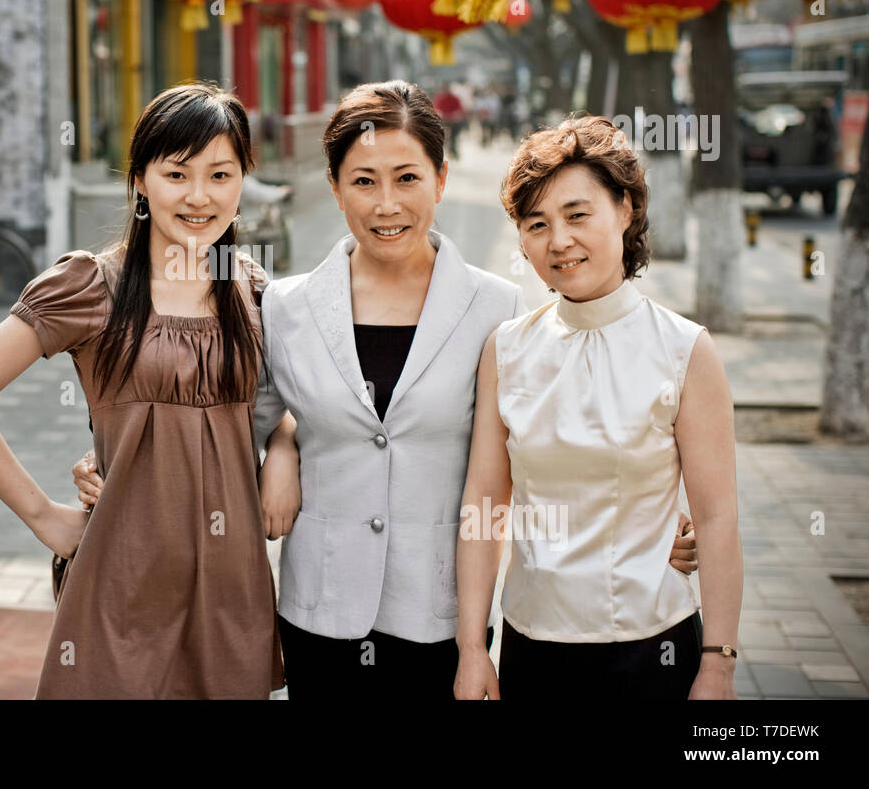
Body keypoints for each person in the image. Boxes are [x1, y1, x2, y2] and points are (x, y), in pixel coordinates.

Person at [74, 85, 698, 700]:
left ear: (441, 179)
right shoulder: (287, 306)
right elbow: (230, 421)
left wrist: (643, 516)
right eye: (364, 181)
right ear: (335, 188)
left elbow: (541, 444)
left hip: (441, 618)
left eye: (407, 178)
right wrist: (278, 443)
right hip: (320, 614)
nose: (386, 204)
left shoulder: (496, 308)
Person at [0, 83, 286, 699]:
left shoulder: (253, 291)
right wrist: (44, 517)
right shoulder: (91, 286)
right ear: (141, 180)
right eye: (176, 174)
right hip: (123, 581)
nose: (199, 196)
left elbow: (294, 404)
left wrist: (284, 450)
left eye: (220, 175)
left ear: (241, 181)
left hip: (232, 586)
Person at [454, 115, 742, 700]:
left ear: (625, 209)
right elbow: (484, 505)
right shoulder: (505, 351)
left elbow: (716, 518)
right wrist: (472, 648)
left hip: (653, 647)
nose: (559, 240)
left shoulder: (685, 349)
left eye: (577, 215)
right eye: (537, 224)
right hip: (533, 645)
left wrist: (718, 664)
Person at [434, 82, 465, 159]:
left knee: (454, 137)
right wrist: (443, 116)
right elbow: (436, 109)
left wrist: (454, 116)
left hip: (454, 121)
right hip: (444, 120)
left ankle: (454, 151)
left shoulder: (455, 98)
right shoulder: (440, 98)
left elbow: (459, 109)